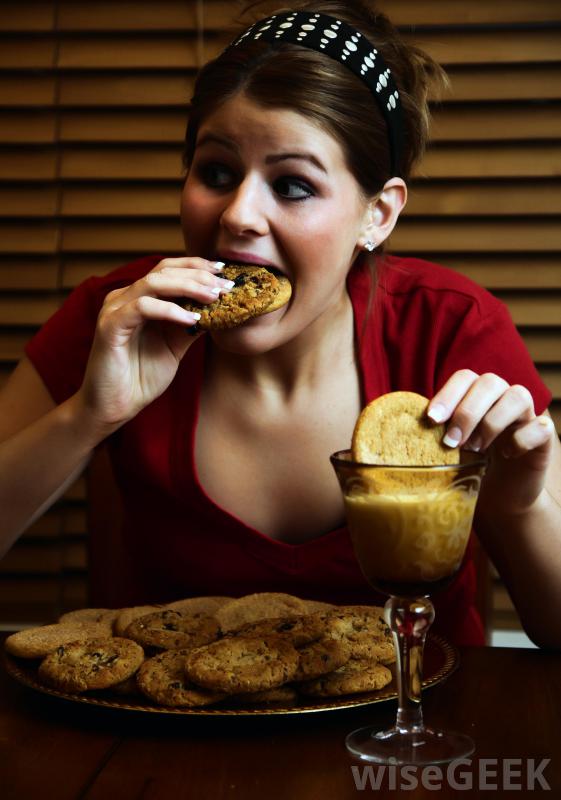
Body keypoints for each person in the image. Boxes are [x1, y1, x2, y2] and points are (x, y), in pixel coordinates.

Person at [0, 0, 559, 648]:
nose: (238, 214)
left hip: (418, 738)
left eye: (291, 185)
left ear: (376, 215)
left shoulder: (450, 330)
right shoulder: (119, 320)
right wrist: (87, 416)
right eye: (215, 172)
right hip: (171, 743)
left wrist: (519, 509)